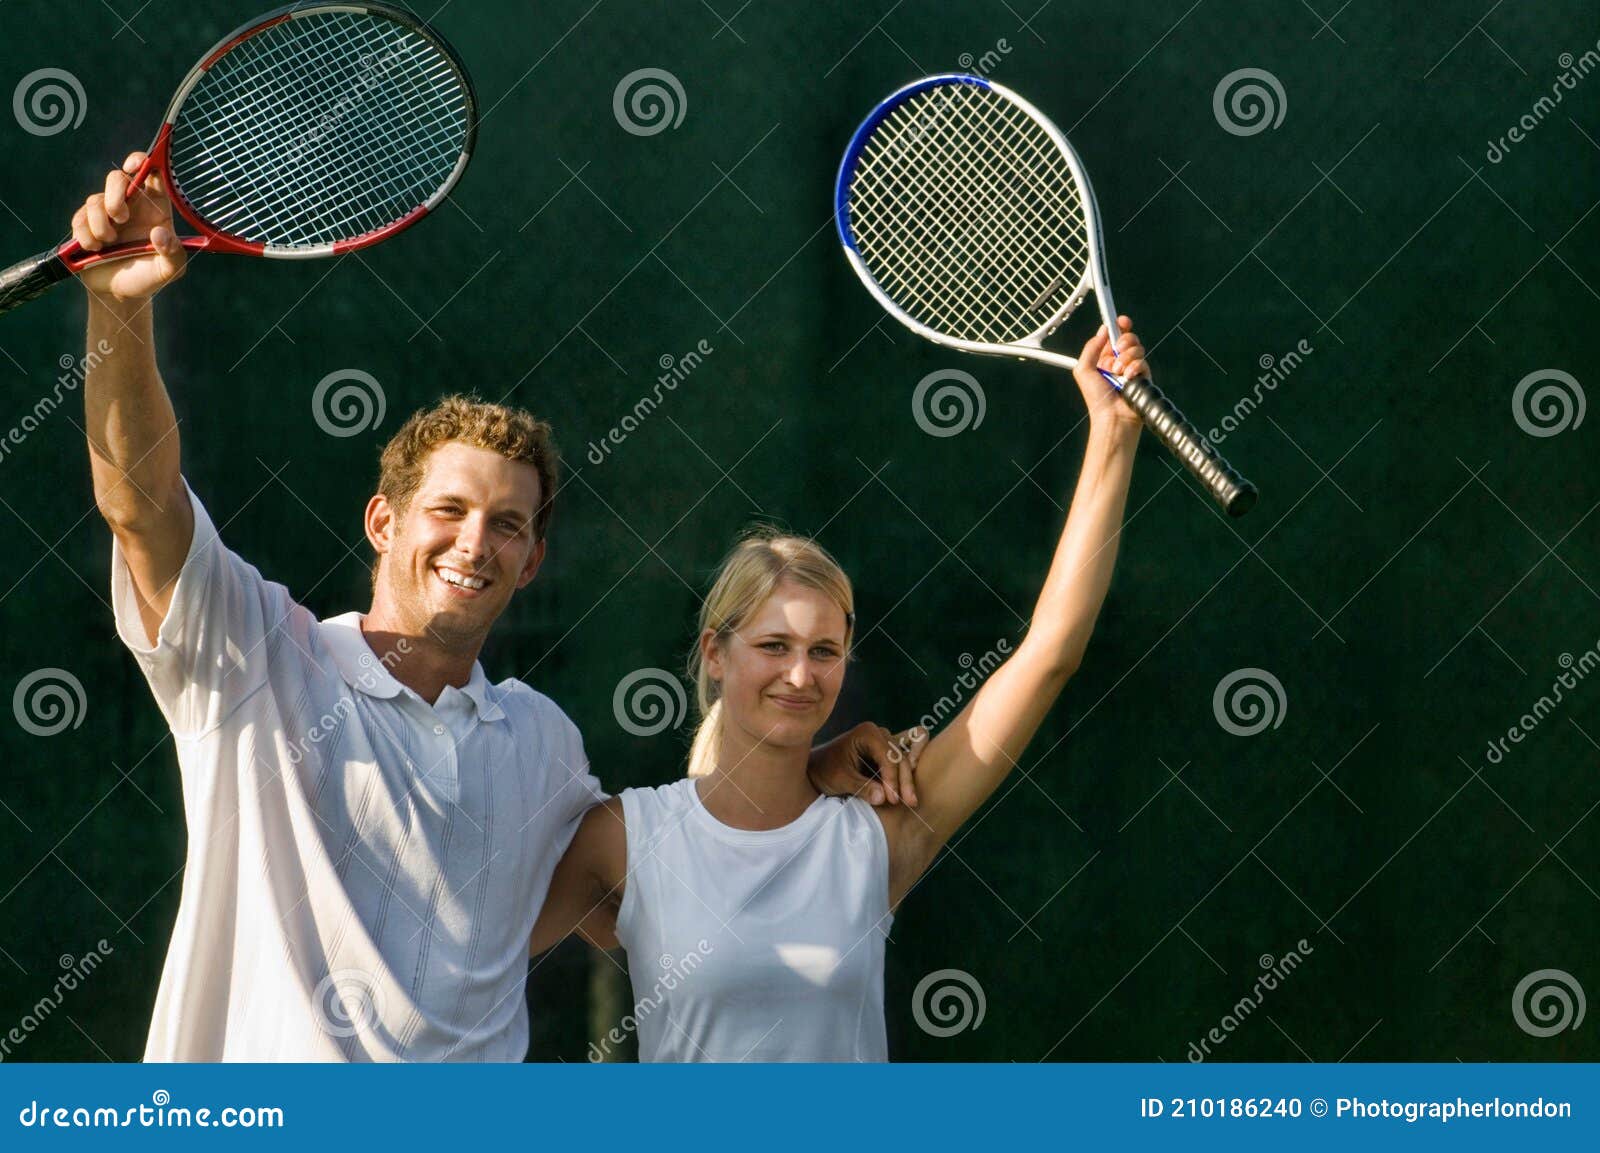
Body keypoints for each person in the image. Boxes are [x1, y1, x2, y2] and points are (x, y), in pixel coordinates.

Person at [71, 154, 915, 1060]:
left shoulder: (542, 743)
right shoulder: (256, 657)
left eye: (507, 524)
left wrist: (808, 756)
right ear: (382, 521)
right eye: (449, 511)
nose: (476, 542)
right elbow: (142, 504)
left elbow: (677, 858)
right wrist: (120, 306)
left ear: (531, 561)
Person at [531, 316, 1149, 1060]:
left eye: (825, 649)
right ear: (714, 654)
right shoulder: (625, 836)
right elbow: (474, 962)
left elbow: (1048, 654)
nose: (801, 673)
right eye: (774, 645)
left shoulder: (878, 832)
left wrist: (1112, 435)